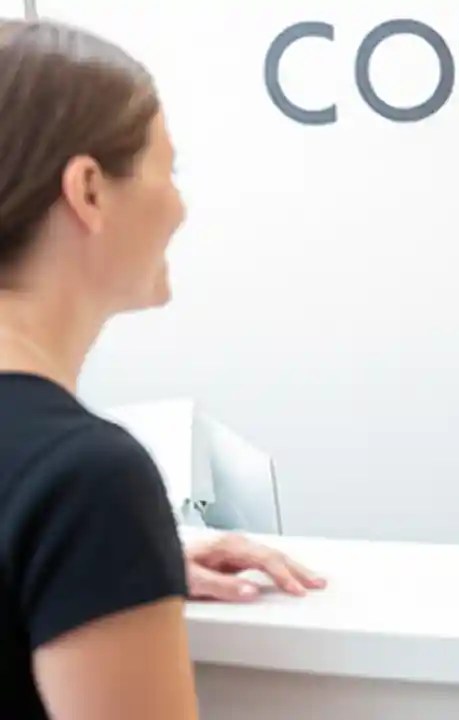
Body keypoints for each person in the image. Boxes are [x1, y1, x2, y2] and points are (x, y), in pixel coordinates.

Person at [0, 19, 321, 719]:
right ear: (88, 191)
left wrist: (94, 572)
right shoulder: (82, 479)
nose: (180, 204)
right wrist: (98, 543)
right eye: (166, 168)